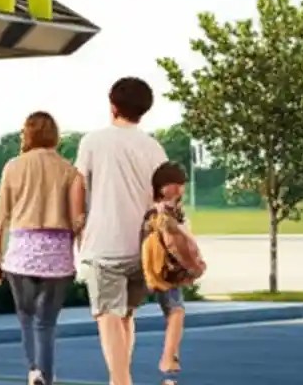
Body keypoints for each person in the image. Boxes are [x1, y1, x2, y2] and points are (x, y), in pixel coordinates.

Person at [71, 77, 169, 385]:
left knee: (108, 316)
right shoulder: (154, 148)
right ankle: (121, 379)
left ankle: (121, 381)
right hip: (141, 247)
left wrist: (78, 223)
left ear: (112, 106)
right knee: (126, 316)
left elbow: (78, 183)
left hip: (104, 244)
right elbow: (164, 197)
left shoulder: (93, 141)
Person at [0, 111, 85, 385]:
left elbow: (0, 218)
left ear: (27, 134)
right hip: (57, 253)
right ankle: (47, 376)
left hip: (22, 252)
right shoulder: (69, 170)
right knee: (47, 323)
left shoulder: (13, 167)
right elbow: (77, 220)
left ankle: (33, 370)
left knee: (26, 318)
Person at [141, 161, 207, 385]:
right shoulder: (163, 212)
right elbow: (171, 242)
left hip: (165, 267)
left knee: (174, 311)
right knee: (176, 311)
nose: (179, 188)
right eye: (173, 184)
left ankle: (172, 356)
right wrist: (192, 264)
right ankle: (168, 359)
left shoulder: (173, 210)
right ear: (161, 187)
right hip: (165, 268)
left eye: (181, 184)